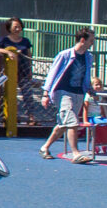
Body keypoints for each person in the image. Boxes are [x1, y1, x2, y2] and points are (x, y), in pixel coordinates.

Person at [41, 28, 102, 163]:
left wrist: (90, 90)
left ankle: (45, 147)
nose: (93, 43)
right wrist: (45, 93)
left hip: (78, 93)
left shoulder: (88, 57)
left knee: (63, 124)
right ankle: (76, 154)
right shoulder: (65, 55)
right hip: (63, 92)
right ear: (82, 40)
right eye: (91, 40)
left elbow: (85, 76)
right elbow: (52, 74)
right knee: (72, 122)